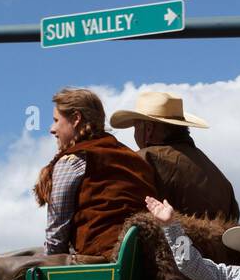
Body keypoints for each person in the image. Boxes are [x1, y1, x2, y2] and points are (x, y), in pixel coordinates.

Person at [35, 87, 158, 257]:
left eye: (56, 120)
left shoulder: (73, 160)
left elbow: (56, 236)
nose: (52, 129)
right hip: (143, 255)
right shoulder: (132, 157)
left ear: (76, 118)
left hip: (99, 257)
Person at [109, 90, 239, 221]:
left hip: (170, 239)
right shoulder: (219, 177)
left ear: (148, 129)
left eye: (136, 127)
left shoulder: (143, 160)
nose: (135, 134)